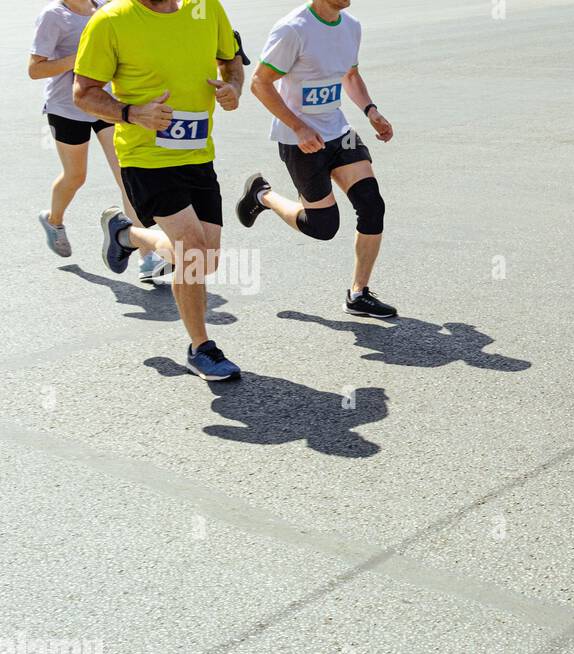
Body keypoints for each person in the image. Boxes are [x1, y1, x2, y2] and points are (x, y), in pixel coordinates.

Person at [73, 0, 246, 381]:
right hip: (145, 156)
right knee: (192, 251)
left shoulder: (206, 8)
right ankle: (201, 348)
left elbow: (231, 60)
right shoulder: (110, 21)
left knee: (206, 260)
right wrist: (132, 113)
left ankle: (127, 234)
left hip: (198, 154)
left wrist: (233, 86)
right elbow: (83, 92)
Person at [236, 0, 397, 319]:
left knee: (371, 204)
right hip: (299, 140)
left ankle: (358, 293)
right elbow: (259, 83)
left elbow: (350, 76)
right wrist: (298, 126)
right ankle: (262, 195)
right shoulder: (293, 29)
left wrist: (371, 110)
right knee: (322, 227)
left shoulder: (351, 26)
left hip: (338, 131)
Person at [30, 0, 165, 283]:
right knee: (76, 176)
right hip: (66, 108)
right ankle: (54, 221)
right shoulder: (53, 16)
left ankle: (147, 256)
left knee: (127, 175)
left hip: (105, 103)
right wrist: (82, 55)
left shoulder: (104, 7)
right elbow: (35, 69)